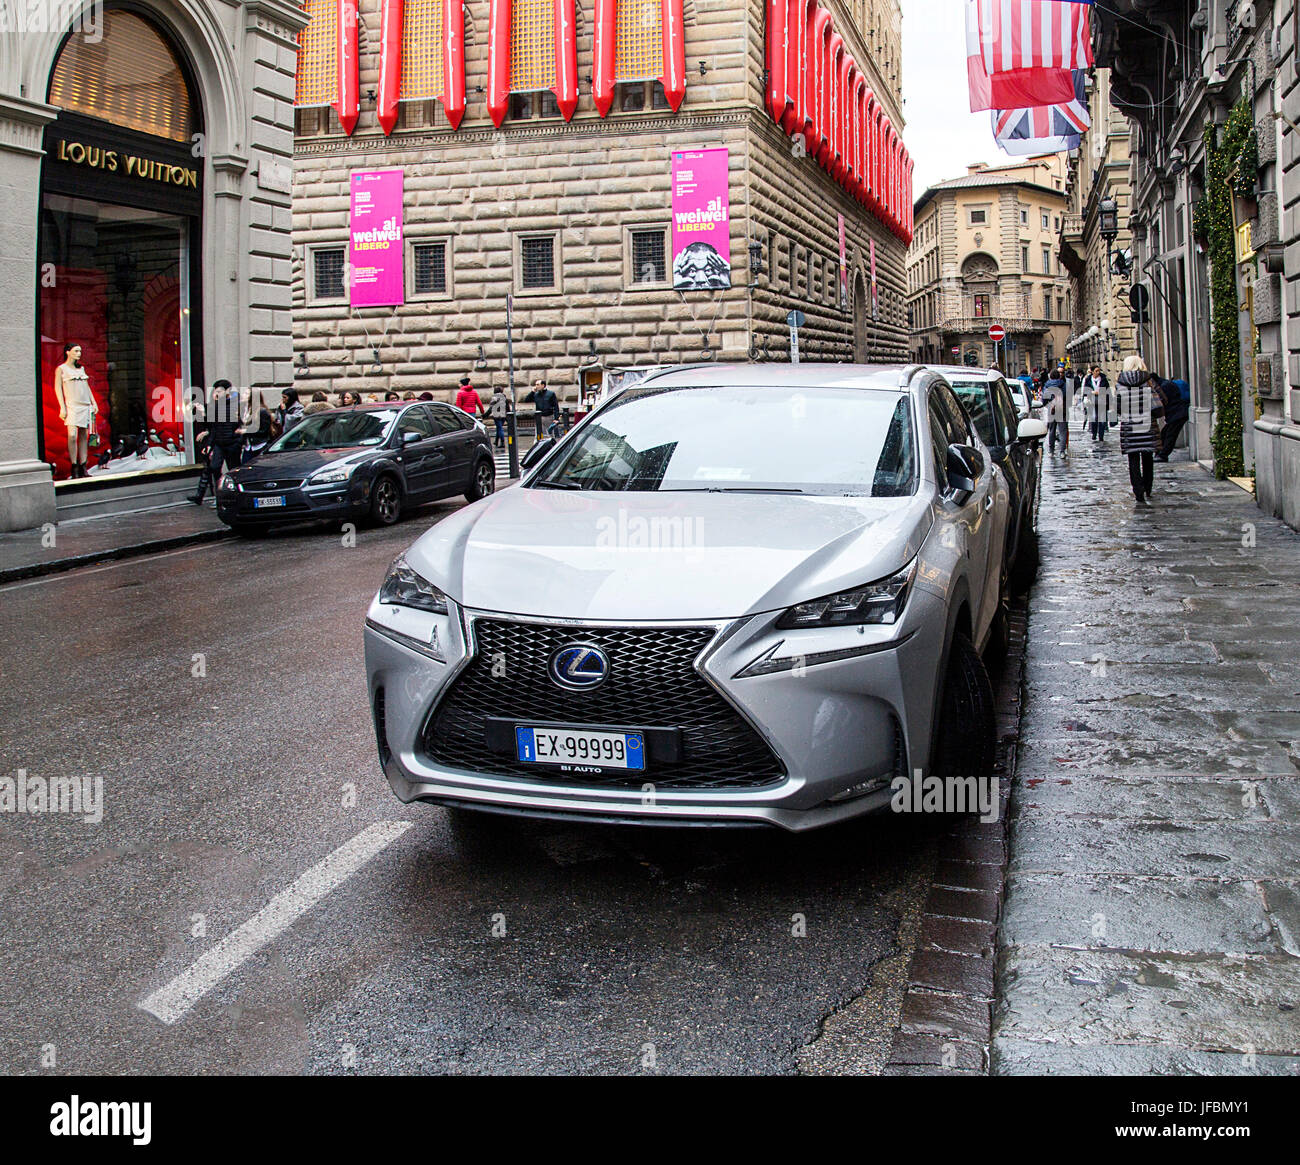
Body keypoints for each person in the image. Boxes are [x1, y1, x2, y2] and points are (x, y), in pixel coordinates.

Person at [1116, 355, 1164, 506]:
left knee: (1133, 458)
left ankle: (1138, 492)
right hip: (1147, 423)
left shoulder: (1120, 383)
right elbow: (1162, 400)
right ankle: (1148, 487)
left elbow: (1117, 406)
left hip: (1130, 425)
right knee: (1148, 456)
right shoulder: (1149, 380)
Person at [188, 380, 244, 504]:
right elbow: (213, 428)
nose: (216, 394)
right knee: (214, 467)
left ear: (227, 391)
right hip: (219, 443)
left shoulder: (237, 406)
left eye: (219, 391)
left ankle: (236, 497)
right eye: (215, 391)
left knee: (234, 470)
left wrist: (237, 443)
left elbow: (241, 427)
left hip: (232, 444)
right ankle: (220, 496)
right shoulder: (216, 406)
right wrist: (209, 445)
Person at [53, 341, 98, 479]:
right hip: (72, 405)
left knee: (84, 435)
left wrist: (93, 402)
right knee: (72, 435)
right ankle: (73, 465)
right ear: (68, 352)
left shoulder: (81, 369)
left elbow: (87, 386)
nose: (79, 354)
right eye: (76, 351)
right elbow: (58, 388)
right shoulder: (61, 369)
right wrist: (62, 406)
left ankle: (83, 465)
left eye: (80, 351)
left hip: (85, 404)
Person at [1156, 376, 1190, 461]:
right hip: (1176, 413)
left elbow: (1164, 403)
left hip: (1179, 413)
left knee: (1170, 435)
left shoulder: (1164, 387)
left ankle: (1163, 455)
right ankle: (1160, 453)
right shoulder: (1165, 384)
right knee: (1165, 433)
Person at [238, 391, 275, 462]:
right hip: (249, 446)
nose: (243, 395)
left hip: (259, 446)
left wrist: (246, 431)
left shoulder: (262, 411)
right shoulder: (246, 410)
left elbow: (264, 430)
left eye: (246, 393)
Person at [1042, 368, 1069, 453]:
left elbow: (1044, 399)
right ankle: (1062, 451)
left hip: (1051, 409)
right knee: (1063, 431)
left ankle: (1051, 450)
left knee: (1052, 430)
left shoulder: (1046, 385)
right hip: (1062, 408)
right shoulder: (1063, 384)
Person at [1084, 365, 1112, 442]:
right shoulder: (1089, 379)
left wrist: (1110, 402)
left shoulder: (1103, 379)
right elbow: (1085, 390)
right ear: (1092, 371)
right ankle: (1094, 434)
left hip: (1102, 401)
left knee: (1102, 420)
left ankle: (1101, 436)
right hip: (1092, 401)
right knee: (1094, 418)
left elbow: (1108, 390)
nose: (1098, 372)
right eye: (1096, 371)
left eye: (1099, 370)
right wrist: (1092, 392)